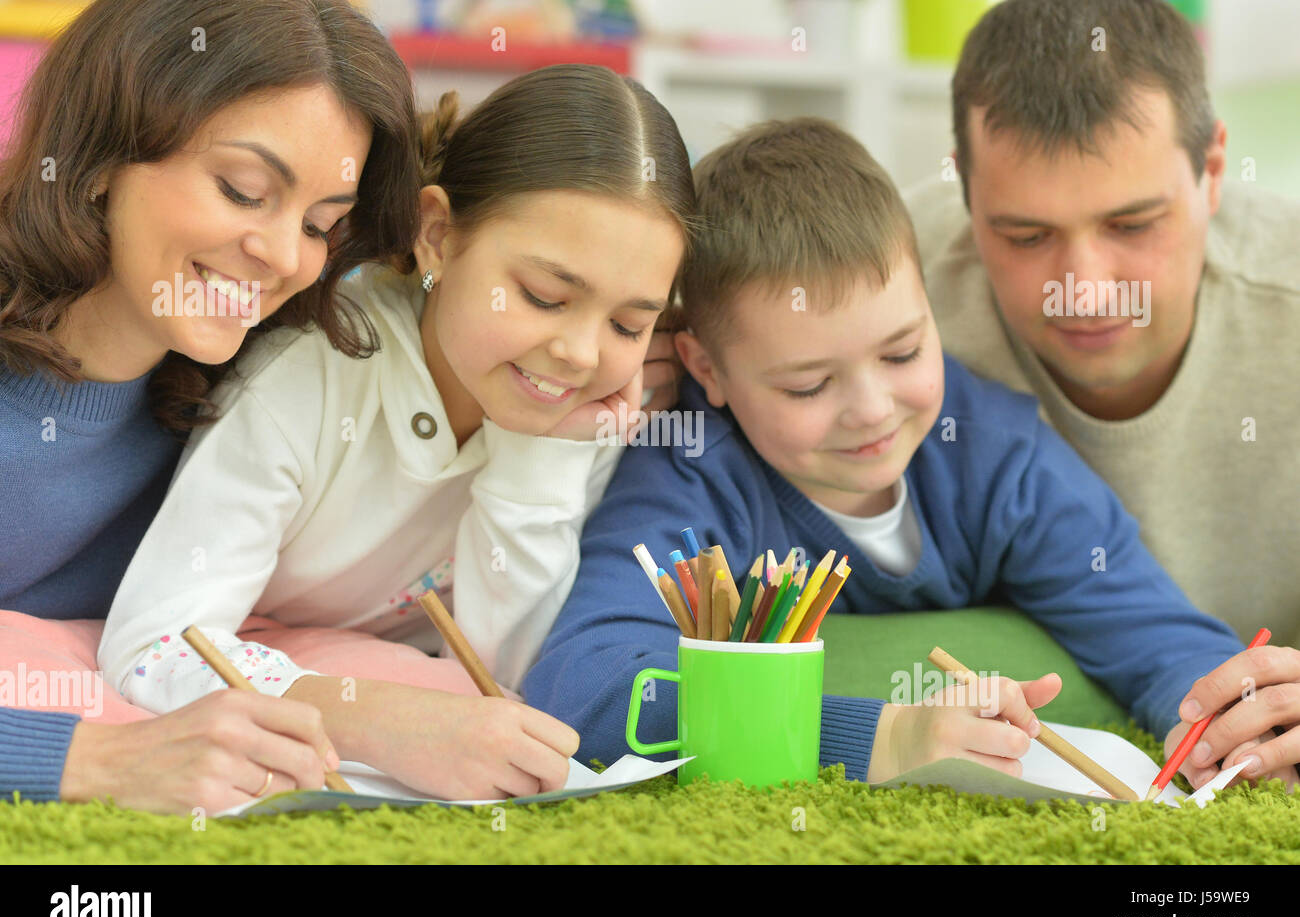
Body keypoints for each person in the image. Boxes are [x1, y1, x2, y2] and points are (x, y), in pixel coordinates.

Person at [522, 117, 1292, 790]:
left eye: (903, 352)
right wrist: (879, 736)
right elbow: (582, 683)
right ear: (707, 369)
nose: (872, 410)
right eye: (809, 383)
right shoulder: (690, 463)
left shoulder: (997, 455)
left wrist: (1232, 710)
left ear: (931, 306)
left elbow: (1150, 630)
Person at [98, 64, 698, 802]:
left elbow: (504, 676)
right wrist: (375, 719)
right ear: (438, 234)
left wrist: (537, 456)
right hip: (290, 665)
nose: (579, 351)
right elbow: (156, 642)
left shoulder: (587, 409)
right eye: (545, 295)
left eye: (628, 323)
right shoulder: (310, 379)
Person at [0, 0, 424, 812]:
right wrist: (90, 760)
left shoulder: (243, 405)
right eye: (243, 189)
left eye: (320, 225)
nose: (283, 256)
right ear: (96, 160)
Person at [903, 0, 1300, 788]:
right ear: (965, 189)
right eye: (1025, 237)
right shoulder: (877, 300)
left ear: (1213, 171)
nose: (1083, 292)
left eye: (1132, 224)